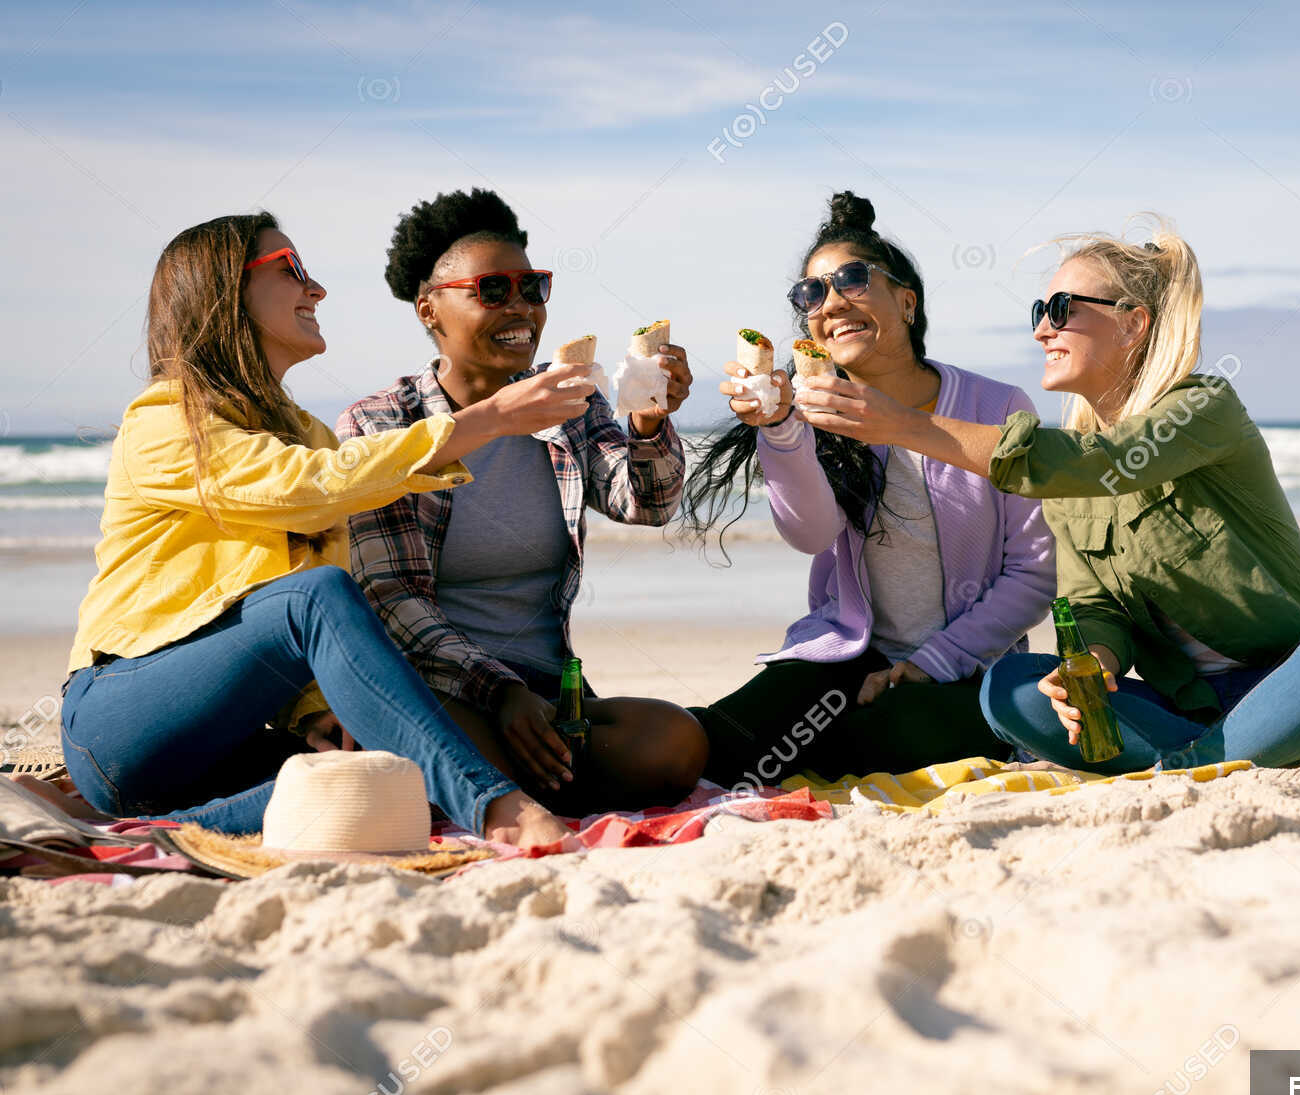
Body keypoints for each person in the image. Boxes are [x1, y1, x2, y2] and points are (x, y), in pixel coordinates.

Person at [795, 218, 1300, 772]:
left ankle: (1206, 759)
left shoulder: (1202, 406)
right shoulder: (1066, 476)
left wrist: (905, 424)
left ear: (1133, 322)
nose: (1041, 330)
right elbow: (1094, 608)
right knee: (1010, 686)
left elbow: (1108, 464)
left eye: (1061, 309)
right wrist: (1092, 665)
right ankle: (1219, 755)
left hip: (1293, 680)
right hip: (1182, 706)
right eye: (1039, 309)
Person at [61, 212, 584, 845]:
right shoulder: (167, 418)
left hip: (226, 739)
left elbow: (312, 534)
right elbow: (307, 491)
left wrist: (318, 712)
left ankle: (138, 832)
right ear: (226, 291)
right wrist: (486, 421)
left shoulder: (306, 432)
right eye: (291, 270)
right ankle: (501, 811)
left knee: (382, 776)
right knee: (320, 597)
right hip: (119, 721)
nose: (317, 290)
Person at [338, 189, 706, 809]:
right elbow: (391, 596)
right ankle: (493, 779)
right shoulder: (382, 424)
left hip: (550, 694)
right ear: (430, 309)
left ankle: (486, 786)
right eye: (493, 290)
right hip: (441, 691)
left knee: (675, 741)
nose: (521, 308)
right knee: (439, 746)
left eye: (532, 288)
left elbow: (647, 503)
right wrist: (500, 691)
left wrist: (647, 418)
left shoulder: (568, 399)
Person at [683, 192, 1055, 788]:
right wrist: (779, 432)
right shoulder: (809, 416)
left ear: (906, 301)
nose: (830, 303)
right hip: (845, 657)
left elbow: (1034, 573)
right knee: (723, 742)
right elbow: (809, 534)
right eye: (811, 293)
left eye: (852, 280)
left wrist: (929, 664)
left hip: (968, 669)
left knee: (878, 735)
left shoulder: (997, 407)